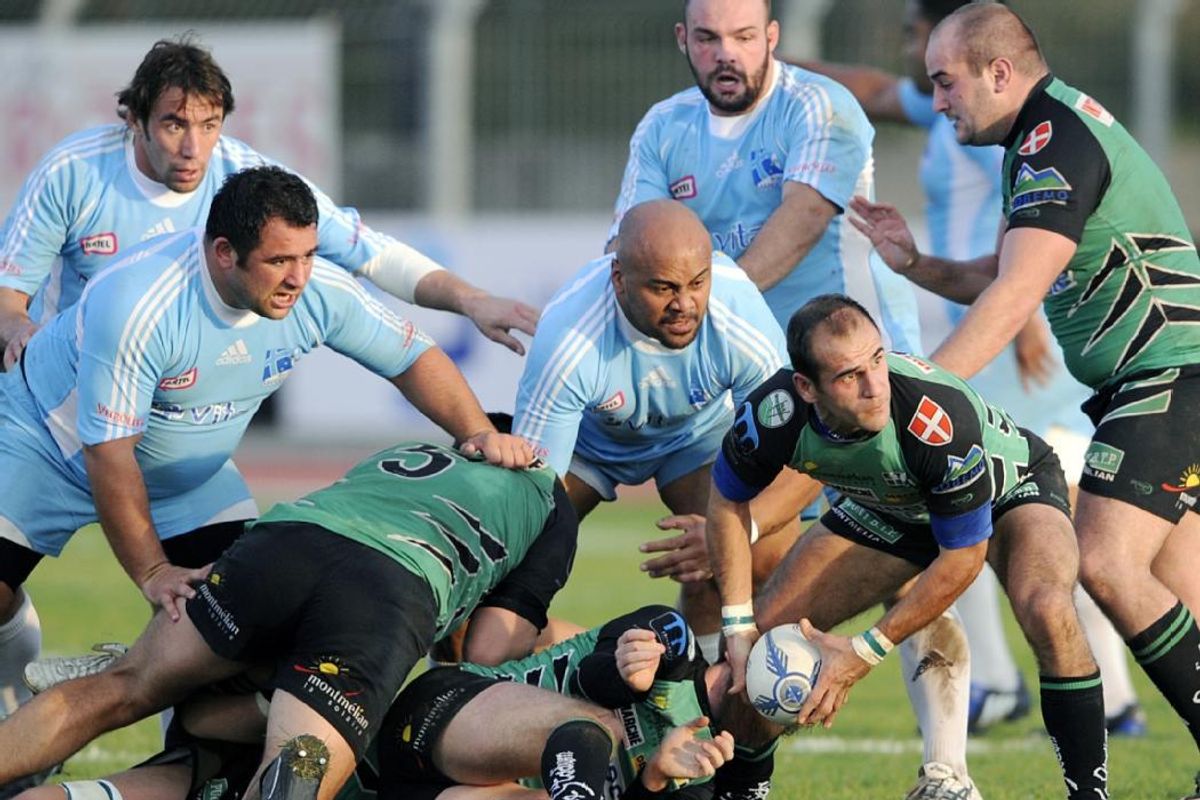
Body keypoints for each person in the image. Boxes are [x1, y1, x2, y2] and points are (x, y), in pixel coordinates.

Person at [0, 166, 531, 762]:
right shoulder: (140, 303)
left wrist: (480, 435)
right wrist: (152, 573)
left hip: (187, 478)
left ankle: (162, 728)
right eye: (280, 261)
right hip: (44, 442)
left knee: (241, 647)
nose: (298, 278)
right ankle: (17, 685)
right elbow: (107, 452)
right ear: (224, 253)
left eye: (306, 256)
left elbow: (413, 358)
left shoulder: (318, 289)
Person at [849, 4, 1200, 791]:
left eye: (945, 82)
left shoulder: (1052, 140)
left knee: (1105, 560)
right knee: (1183, 590)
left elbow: (1016, 296)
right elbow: (998, 272)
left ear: (998, 72)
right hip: (1151, 383)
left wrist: (919, 396)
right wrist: (913, 263)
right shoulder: (1041, 136)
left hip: (1170, 378)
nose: (937, 101)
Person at [797, 0, 1145, 738]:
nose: (916, 65)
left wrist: (1020, 316)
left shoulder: (1015, 126)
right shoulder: (945, 108)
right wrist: (779, 65)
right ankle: (1027, 684)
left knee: (1044, 518)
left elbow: (1033, 234)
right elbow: (870, 85)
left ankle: (1101, 696)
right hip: (978, 320)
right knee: (978, 508)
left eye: (919, 42)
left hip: (1011, 334)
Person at [0, 429, 579, 800]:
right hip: (385, 594)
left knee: (122, 685)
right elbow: (487, 652)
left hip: (278, 545)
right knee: (295, 774)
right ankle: (278, 723)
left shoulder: (415, 450)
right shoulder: (548, 499)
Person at [707, 295, 1107, 799]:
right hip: (892, 506)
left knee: (1047, 607)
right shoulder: (774, 415)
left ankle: (1084, 794)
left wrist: (864, 650)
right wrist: (739, 627)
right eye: (850, 375)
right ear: (807, 387)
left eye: (878, 359)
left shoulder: (932, 418)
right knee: (759, 649)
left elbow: (962, 556)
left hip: (1013, 485)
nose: (876, 386)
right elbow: (726, 502)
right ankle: (739, 793)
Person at [0, 36, 538, 370]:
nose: (193, 148)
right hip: (69, 398)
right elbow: (8, 299)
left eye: (209, 125)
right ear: (134, 120)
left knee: (239, 557)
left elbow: (368, 252)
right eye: (173, 124)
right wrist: (22, 333)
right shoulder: (75, 172)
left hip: (175, 420)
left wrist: (472, 301)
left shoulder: (245, 175)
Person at [513, 199, 809, 664]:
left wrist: (733, 532)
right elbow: (529, 498)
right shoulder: (569, 338)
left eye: (697, 283)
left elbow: (805, 457)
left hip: (694, 439)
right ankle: (505, 676)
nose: (685, 305)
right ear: (619, 280)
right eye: (663, 288)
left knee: (766, 553)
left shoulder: (738, 315)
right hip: (588, 450)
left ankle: (700, 697)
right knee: (506, 568)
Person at [608, 0, 922, 355]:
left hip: (857, 356)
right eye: (707, 38)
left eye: (743, 37)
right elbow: (630, 245)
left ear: (772, 37)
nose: (726, 54)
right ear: (683, 39)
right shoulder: (661, 126)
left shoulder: (820, 103)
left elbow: (804, 217)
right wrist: (583, 321)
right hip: (744, 359)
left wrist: (700, 306)